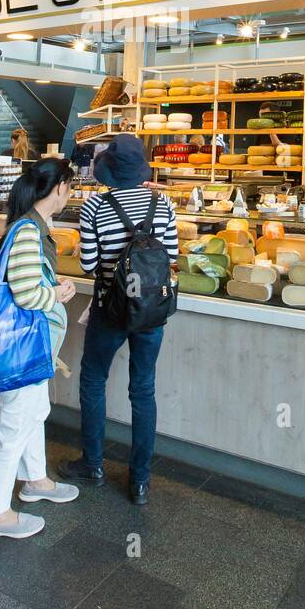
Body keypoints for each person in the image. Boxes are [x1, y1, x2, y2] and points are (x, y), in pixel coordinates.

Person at [60, 135, 178, 505]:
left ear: (108, 168)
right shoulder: (164, 204)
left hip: (109, 309)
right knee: (143, 390)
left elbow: (90, 265)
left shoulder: (94, 206)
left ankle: (92, 464)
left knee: (94, 380)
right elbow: (171, 259)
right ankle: (139, 481)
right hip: (150, 312)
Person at [0, 157, 79, 540]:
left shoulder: (35, 227)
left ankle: (35, 480)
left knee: (36, 410)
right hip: (21, 346)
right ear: (56, 189)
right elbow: (25, 293)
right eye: (69, 186)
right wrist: (58, 292)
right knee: (14, 424)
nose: (70, 193)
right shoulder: (26, 232)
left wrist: (51, 288)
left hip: (34, 346)